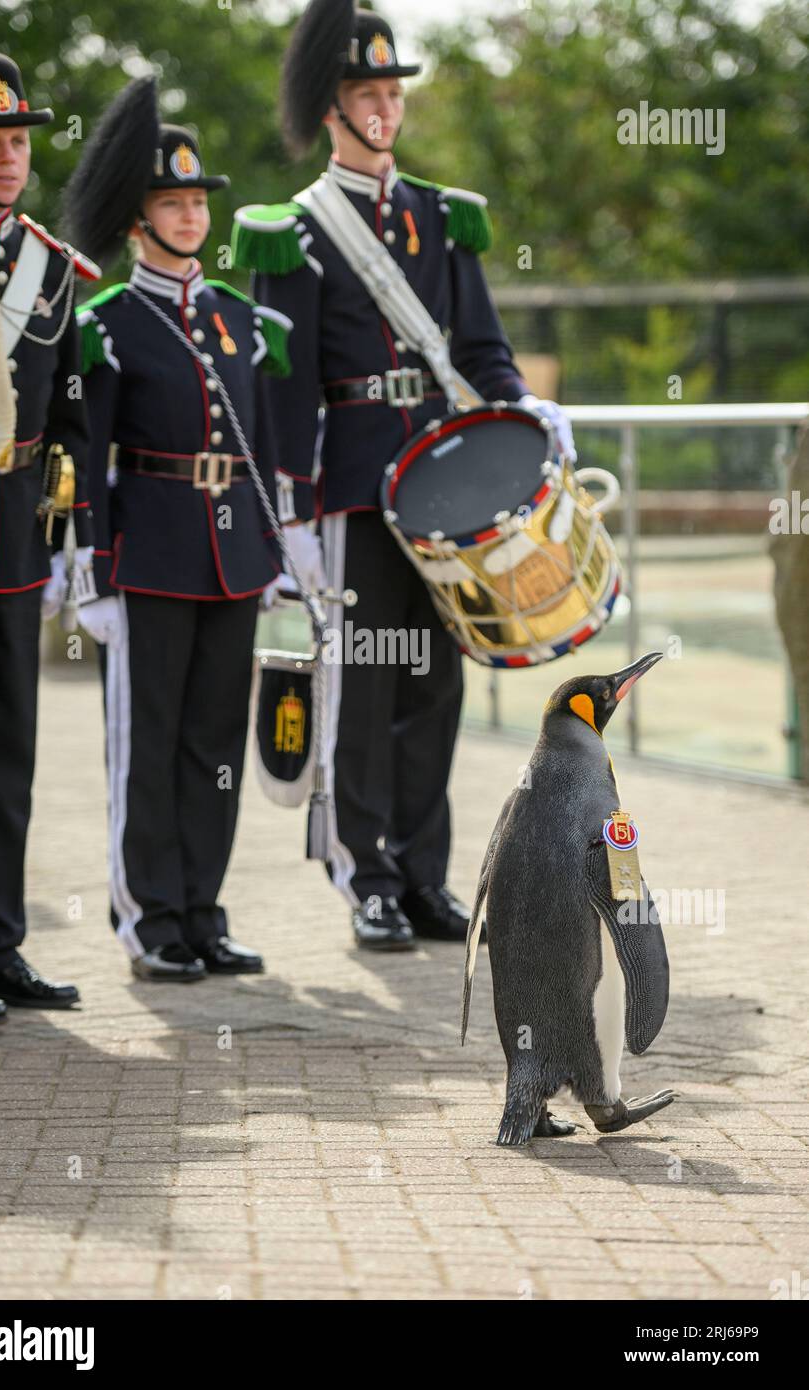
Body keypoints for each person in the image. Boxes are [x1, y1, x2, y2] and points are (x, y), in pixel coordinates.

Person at [231, 1, 576, 952]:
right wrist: (291, 518)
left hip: (451, 486)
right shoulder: (292, 232)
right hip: (351, 483)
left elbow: (483, 350)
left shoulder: (441, 216)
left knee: (434, 683)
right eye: (364, 94)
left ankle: (425, 875)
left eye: (392, 93)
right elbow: (284, 389)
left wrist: (526, 408)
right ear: (329, 109)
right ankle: (366, 875)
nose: (384, 109)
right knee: (363, 683)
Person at [62, 78, 289, 983]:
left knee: (212, 748)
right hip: (149, 556)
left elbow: (263, 450)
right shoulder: (108, 326)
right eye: (172, 201)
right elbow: (85, 456)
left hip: (233, 558)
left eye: (198, 201)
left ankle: (203, 911)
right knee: (145, 747)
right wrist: (92, 569)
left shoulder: (239, 319)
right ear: (137, 219)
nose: (192, 215)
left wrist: (277, 551)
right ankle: (148, 918)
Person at [0, 6, 96, 1030]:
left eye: (16, 142)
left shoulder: (49, 263)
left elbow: (70, 398)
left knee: (2, 756)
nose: (5, 157)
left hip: (17, 536)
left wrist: (73, 525)